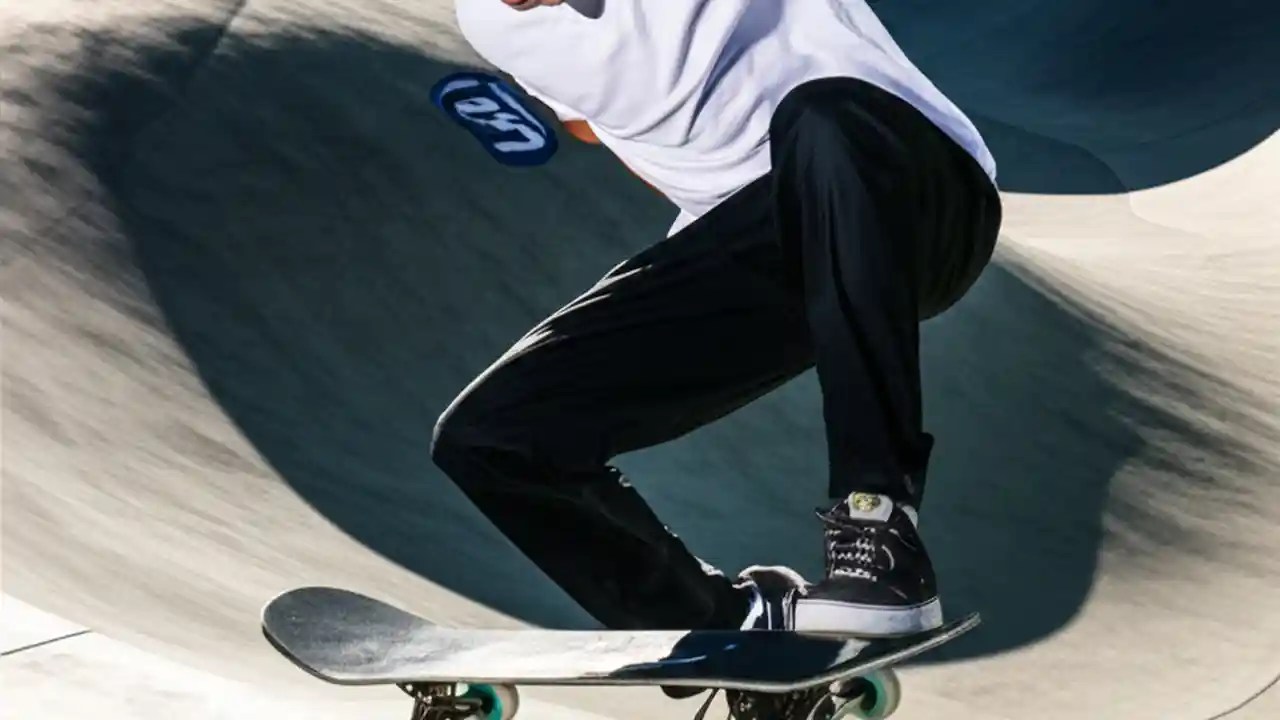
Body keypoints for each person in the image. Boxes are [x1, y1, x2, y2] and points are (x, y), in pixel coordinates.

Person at [434, 0, 1000, 651]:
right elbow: (593, 124)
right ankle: (723, 624)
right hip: (766, 231)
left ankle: (878, 537)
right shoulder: (491, 24)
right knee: (489, 436)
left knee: (820, 121)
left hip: (919, 192)